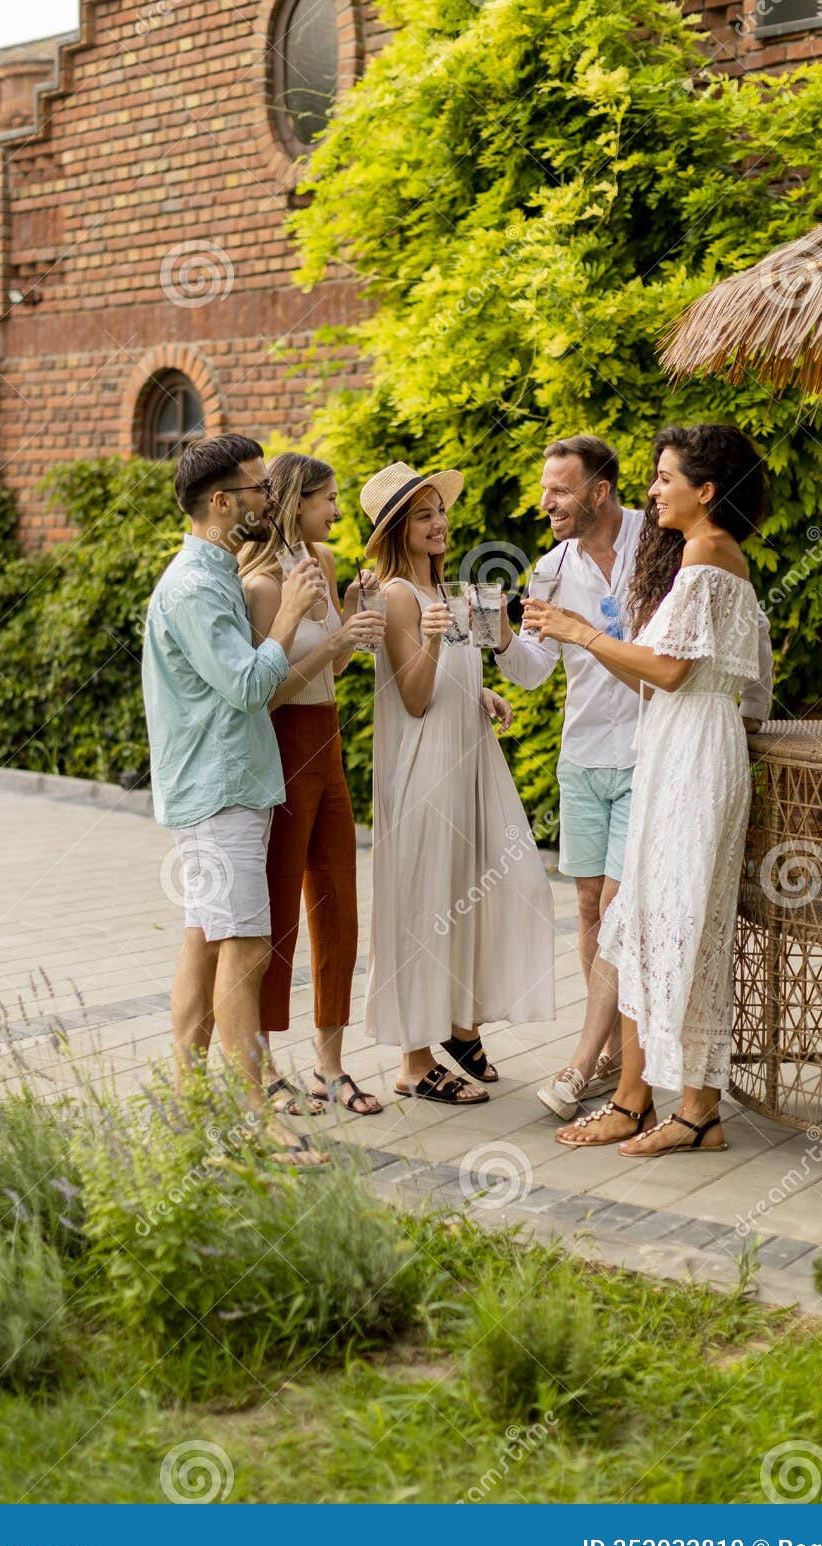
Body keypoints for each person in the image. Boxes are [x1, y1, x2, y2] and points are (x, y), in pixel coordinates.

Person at [495, 433, 772, 1120]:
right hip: (609, 751)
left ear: (598, 489)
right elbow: (542, 669)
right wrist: (505, 635)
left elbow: (677, 667)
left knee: (641, 917)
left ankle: (616, 1085)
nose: (546, 502)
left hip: (665, 753)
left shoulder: (682, 551)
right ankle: (640, 1084)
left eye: (560, 489)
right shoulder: (558, 568)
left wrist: (583, 631)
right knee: (612, 915)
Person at [141, 433, 326, 1163]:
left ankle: (189, 1107)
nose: (270, 499)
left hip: (220, 783)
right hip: (217, 790)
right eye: (258, 489)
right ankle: (255, 1121)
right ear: (222, 503)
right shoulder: (193, 587)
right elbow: (248, 686)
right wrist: (290, 616)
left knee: (206, 940)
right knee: (246, 948)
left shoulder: (210, 574)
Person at [361, 461, 555, 1103]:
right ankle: (414, 1065)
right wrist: (439, 642)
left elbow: (450, 684)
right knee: (423, 906)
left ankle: (457, 1024)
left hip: (468, 763)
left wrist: (483, 695)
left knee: (495, 890)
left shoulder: (457, 593)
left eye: (438, 511)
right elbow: (413, 696)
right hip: (423, 776)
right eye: (422, 515)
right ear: (397, 530)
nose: (439, 522)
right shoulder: (395, 597)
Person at [240, 451, 387, 1117]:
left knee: (339, 903)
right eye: (329, 498)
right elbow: (263, 697)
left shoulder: (324, 567)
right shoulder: (262, 586)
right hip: (283, 745)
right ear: (297, 502)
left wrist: (351, 618)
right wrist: (332, 645)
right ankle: (266, 1065)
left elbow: (335, 666)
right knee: (276, 912)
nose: (337, 509)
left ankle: (329, 1065)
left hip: (326, 742)